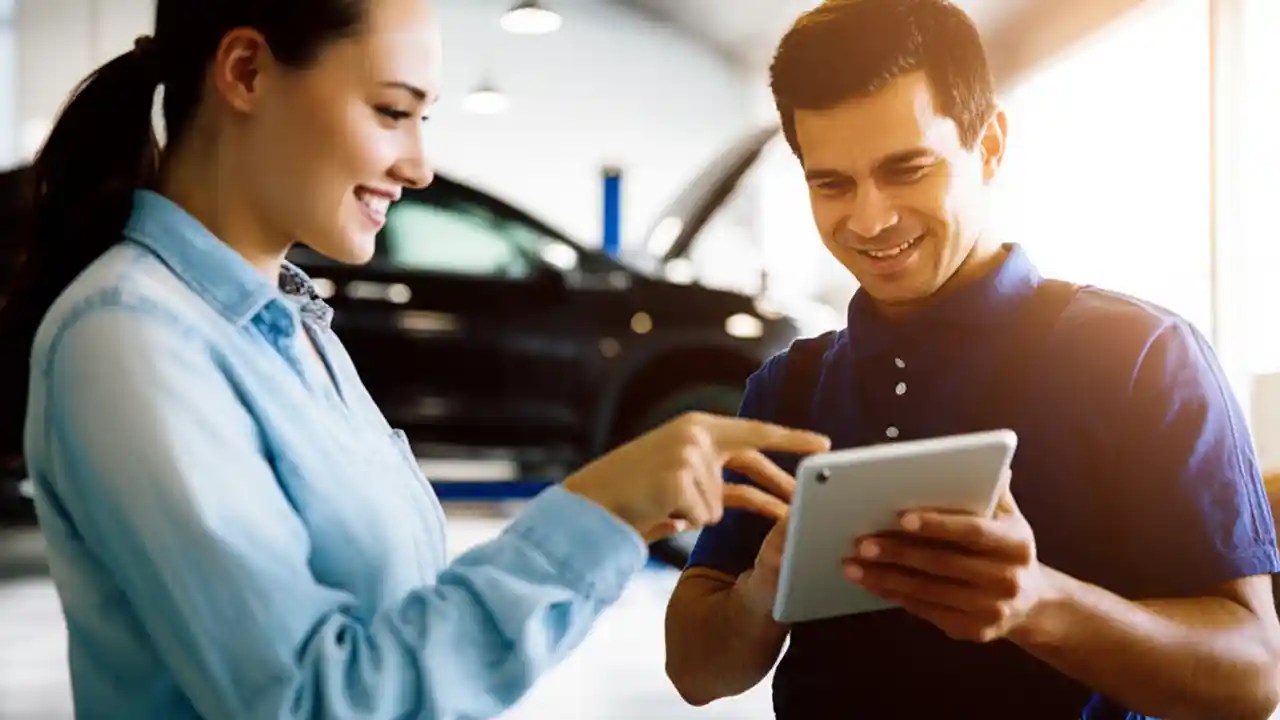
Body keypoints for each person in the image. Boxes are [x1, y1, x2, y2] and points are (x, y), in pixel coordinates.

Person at [0, 1, 833, 718]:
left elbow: (392, 629)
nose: (419, 164)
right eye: (392, 111)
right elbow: (315, 701)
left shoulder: (291, 326)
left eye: (421, 119)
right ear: (247, 71)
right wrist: (598, 511)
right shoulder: (131, 339)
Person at [664, 1, 1280, 718]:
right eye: (832, 183)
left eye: (907, 169)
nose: (870, 220)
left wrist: (1040, 604)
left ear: (988, 146)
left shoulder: (1142, 357)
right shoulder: (789, 386)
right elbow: (695, 673)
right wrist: (764, 587)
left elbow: (1252, 677)